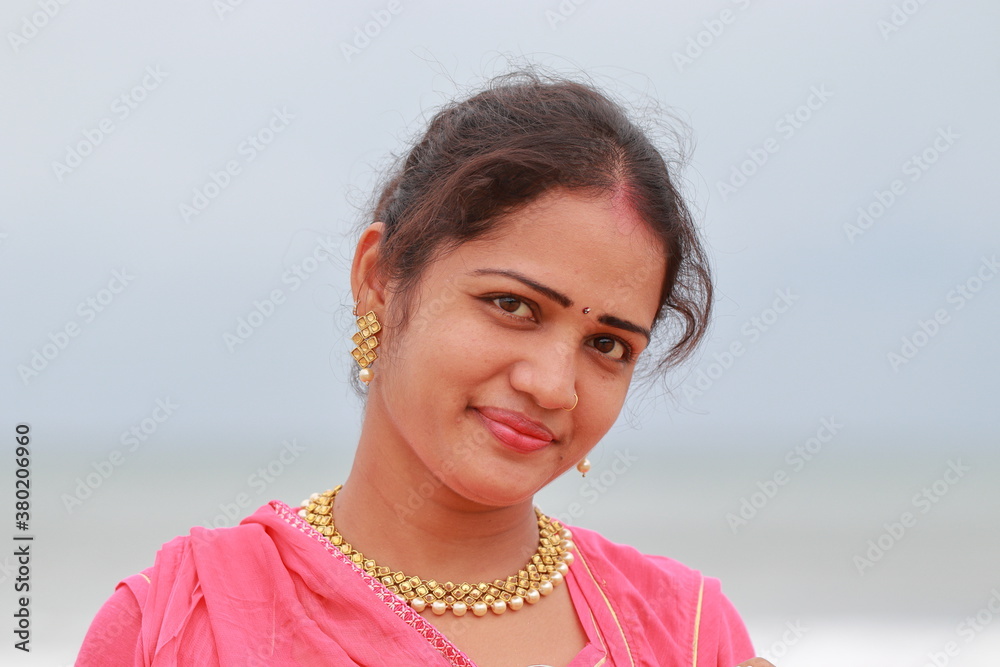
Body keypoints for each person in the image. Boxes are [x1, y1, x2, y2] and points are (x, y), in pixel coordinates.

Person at [77, 70, 776, 667]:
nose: (553, 384)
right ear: (379, 278)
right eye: (513, 304)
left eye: (608, 346)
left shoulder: (682, 636)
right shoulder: (177, 623)